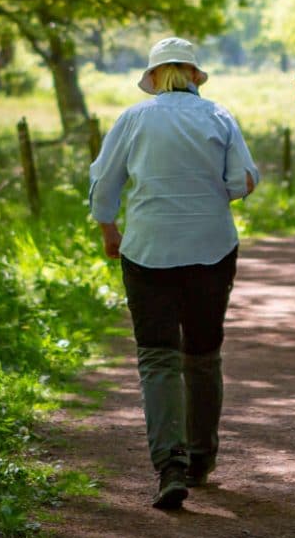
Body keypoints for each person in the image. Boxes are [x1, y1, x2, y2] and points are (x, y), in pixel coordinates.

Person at [90, 37, 259, 510]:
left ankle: (171, 465)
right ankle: (202, 456)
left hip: (146, 251)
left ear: (155, 76)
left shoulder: (133, 119)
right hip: (212, 249)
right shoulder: (220, 117)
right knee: (202, 354)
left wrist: (109, 228)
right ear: (193, 74)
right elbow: (238, 182)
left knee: (158, 358)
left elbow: (104, 183)